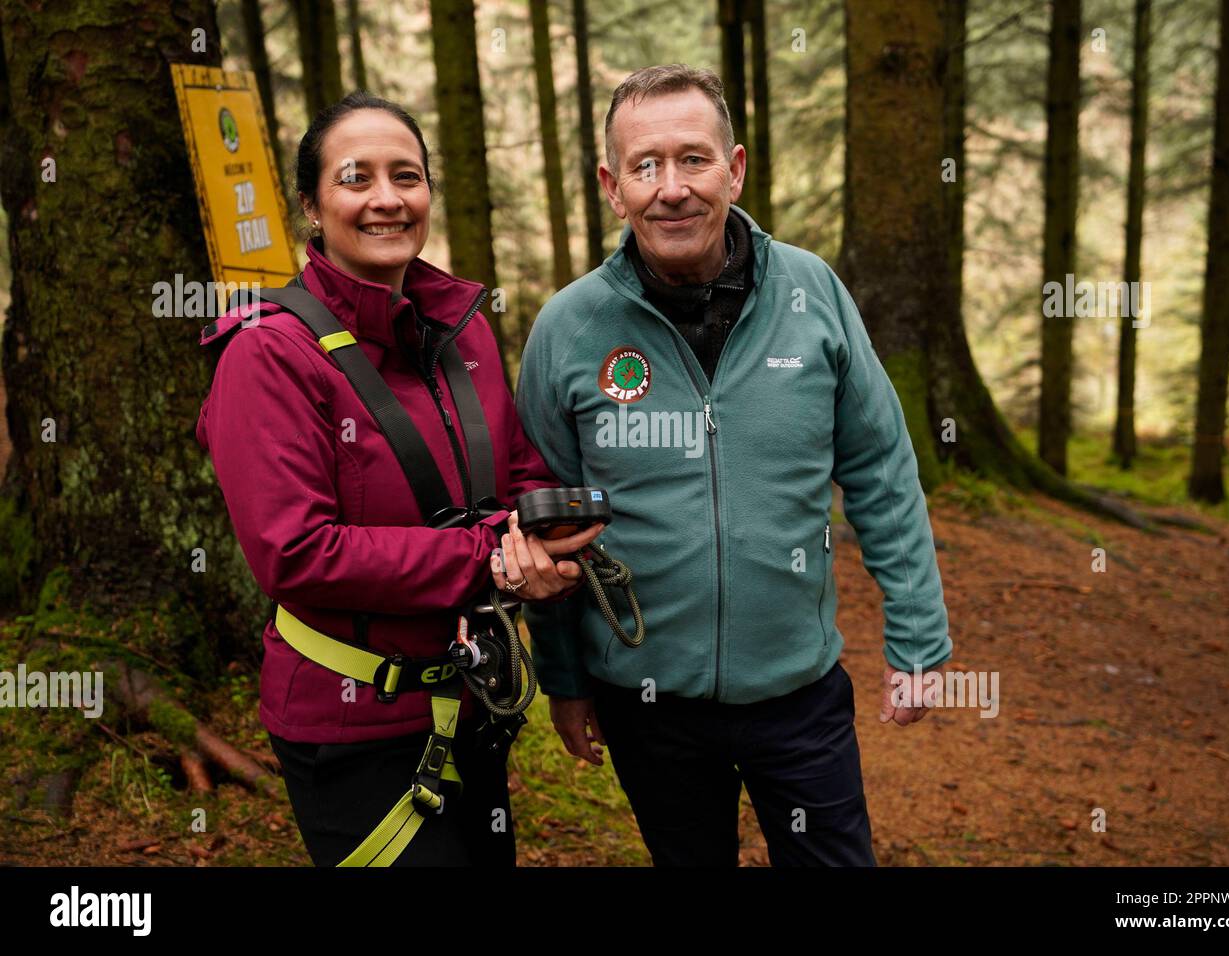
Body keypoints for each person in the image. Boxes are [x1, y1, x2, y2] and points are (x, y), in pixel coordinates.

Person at [516, 65, 953, 867]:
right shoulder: (569, 328)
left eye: (694, 159)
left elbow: (882, 470)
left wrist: (918, 638)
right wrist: (565, 678)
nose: (671, 188)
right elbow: (546, 521)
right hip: (648, 702)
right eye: (646, 166)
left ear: (736, 168)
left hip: (799, 694)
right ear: (613, 187)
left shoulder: (812, 294)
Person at [196, 92, 602, 866]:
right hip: (353, 726)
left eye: (406, 176)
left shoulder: (461, 328)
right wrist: (488, 559)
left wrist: (549, 539)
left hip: (471, 697)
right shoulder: (268, 356)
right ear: (312, 207)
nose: (387, 198)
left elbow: (515, 473)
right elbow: (296, 552)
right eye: (356, 179)